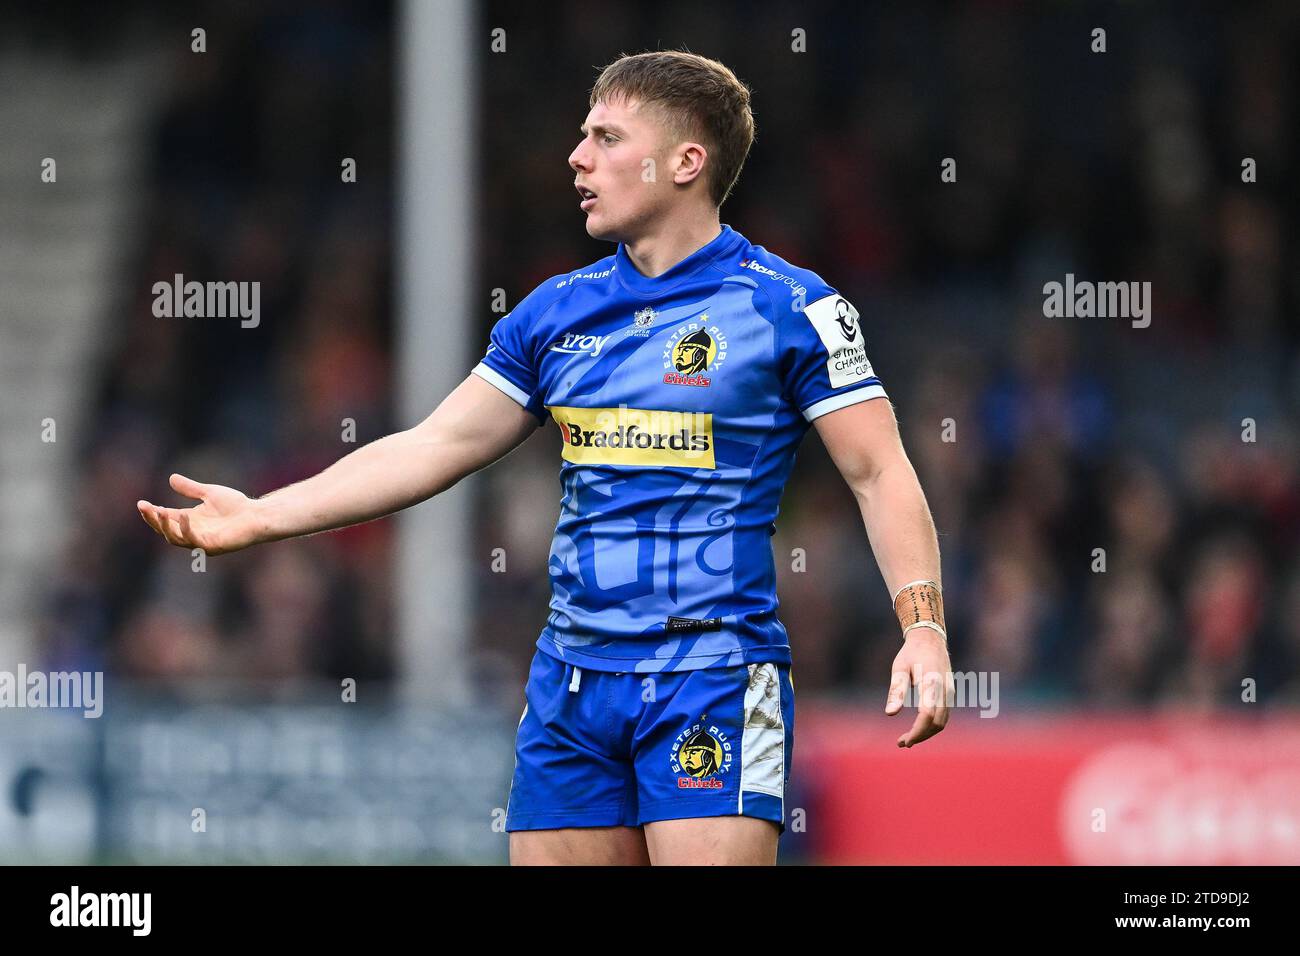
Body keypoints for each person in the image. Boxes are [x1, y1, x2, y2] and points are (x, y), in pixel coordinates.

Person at [137, 50, 953, 866]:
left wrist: (923, 630)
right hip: (571, 682)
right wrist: (265, 513)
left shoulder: (791, 306)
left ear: (684, 162)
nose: (577, 156)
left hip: (713, 675)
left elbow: (878, 472)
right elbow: (436, 444)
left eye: (605, 136)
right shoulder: (556, 312)